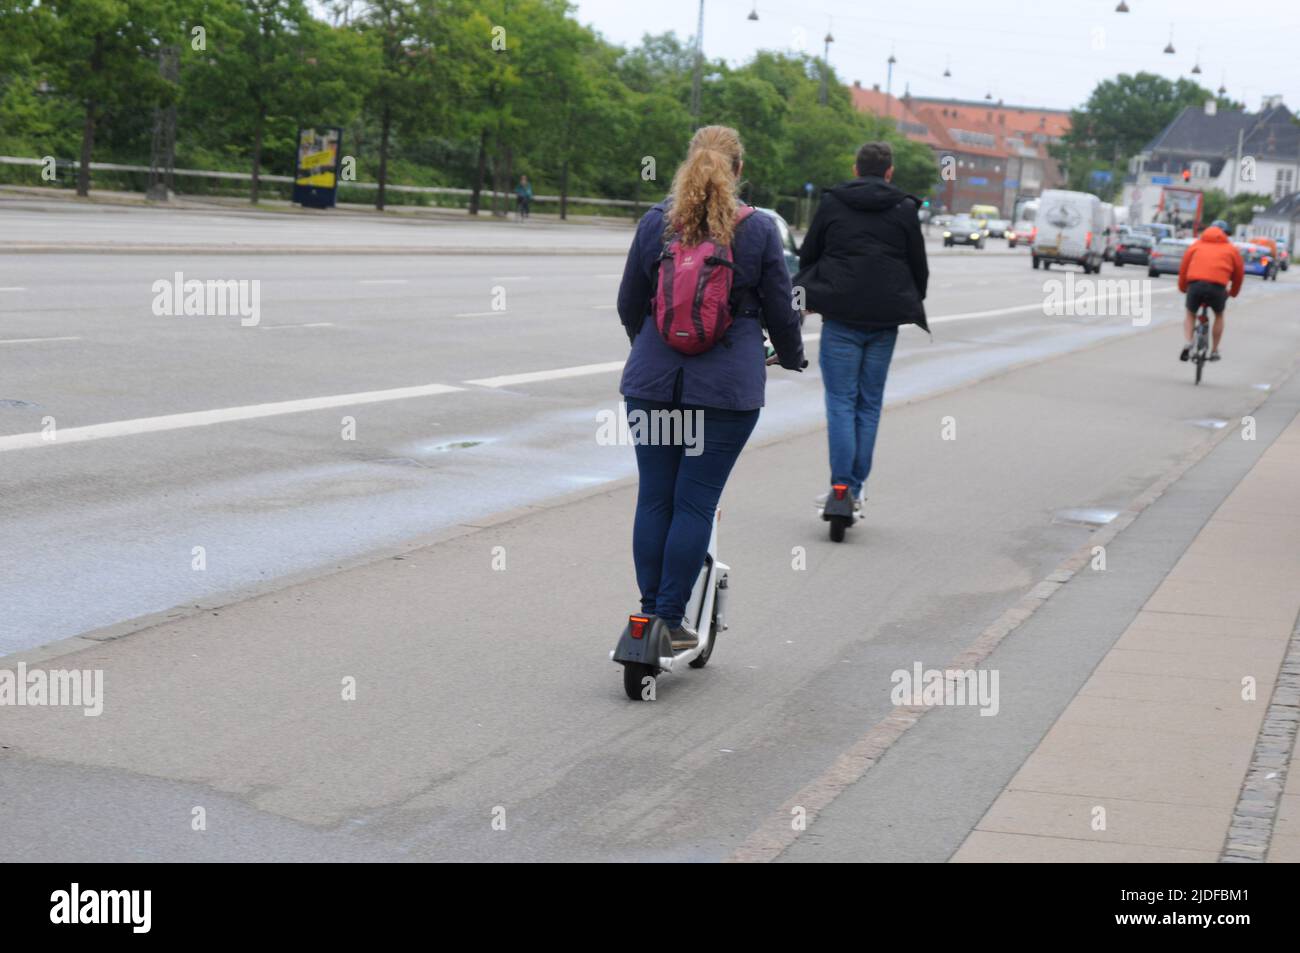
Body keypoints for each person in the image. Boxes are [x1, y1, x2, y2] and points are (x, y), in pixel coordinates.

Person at [616, 125, 804, 649]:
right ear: (738, 170)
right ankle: (671, 623)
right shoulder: (760, 229)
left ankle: (648, 617)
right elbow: (780, 310)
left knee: (655, 499)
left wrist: (652, 346)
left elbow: (629, 303)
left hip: (652, 382)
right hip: (724, 391)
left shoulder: (656, 222)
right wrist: (790, 357)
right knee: (694, 502)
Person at [794, 141, 928, 515]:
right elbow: (918, 265)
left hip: (840, 317)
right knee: (868, 405)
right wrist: (909, 299)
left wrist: (815, 291)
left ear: (855, 169)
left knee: (840, 402)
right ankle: (854, 488)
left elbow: (809, 254)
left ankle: (839, 489)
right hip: (884, 321)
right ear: (890, 172)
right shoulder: (904, 208)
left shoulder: (833, 202)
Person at [1177, 219, 1243, 362]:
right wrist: (1233, 292)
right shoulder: (1231, 250)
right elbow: (1238, 274)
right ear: (1226, 234)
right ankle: (1214, 350)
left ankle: (1188, 342)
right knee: (1219, 315)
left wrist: (1183, 287)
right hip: (1217, 287)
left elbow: (1184, 268)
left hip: (1195, 285)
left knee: (1190, 313)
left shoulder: (1196, 245)